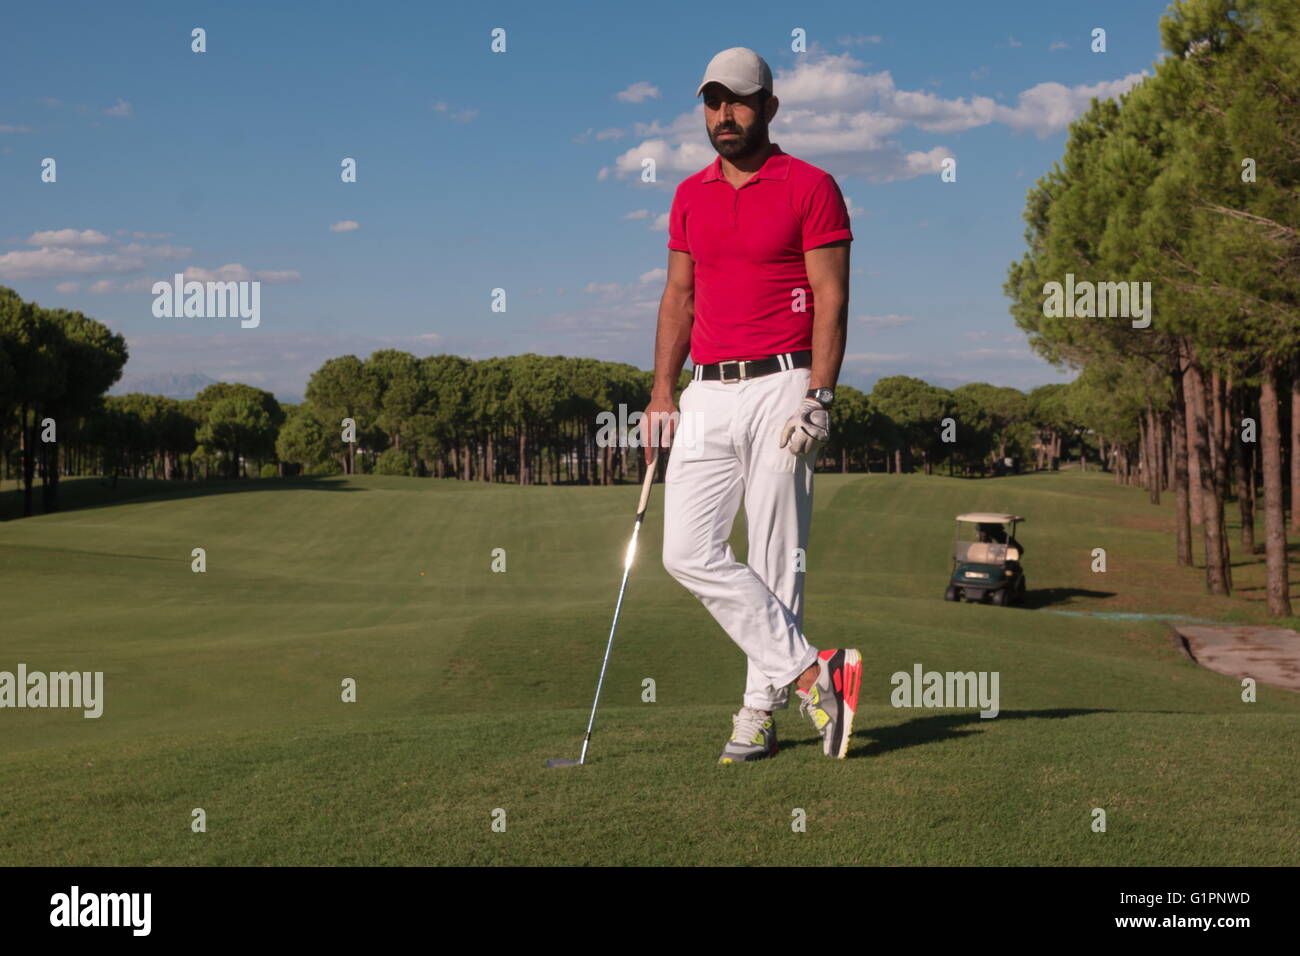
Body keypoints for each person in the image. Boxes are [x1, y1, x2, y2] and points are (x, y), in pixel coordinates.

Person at [642, 47, 862, 763]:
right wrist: (660, 394)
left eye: (737, 101)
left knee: (774, 559)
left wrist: (819, 397)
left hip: (783, 383)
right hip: (707, 387)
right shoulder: (689, 194)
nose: (723, 115)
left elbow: (831, 297)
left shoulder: (811, 186)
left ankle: (757, 714)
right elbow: (678, 297)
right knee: (685, 551)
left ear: (769, 105)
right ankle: (811, 671)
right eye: (711, 101)